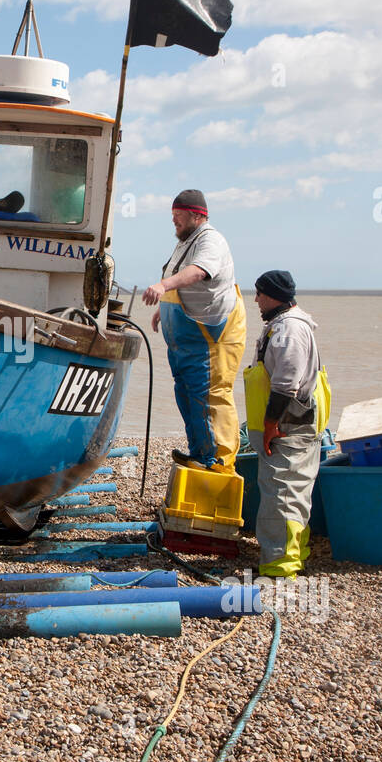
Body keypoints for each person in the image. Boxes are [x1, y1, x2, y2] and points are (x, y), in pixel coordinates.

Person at [142, 189, 245, 470]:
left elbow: (198, 272)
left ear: (197, 216)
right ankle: (198, 452)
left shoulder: (211, 240)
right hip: (186, 337)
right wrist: (163, 310)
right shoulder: (186, 241)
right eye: (172, 214)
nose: (173, 220)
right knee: (185, 391)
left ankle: (215, 460)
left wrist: (163, 287)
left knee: (206, 395)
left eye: (179, 215)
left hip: (210, 338)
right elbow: (185, 283)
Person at [243, 270, 331, 578]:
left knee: (282, 495)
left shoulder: (288, 330)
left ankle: (280, 567)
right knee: (294, 492)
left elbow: (285, 384)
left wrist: (270, 425)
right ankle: (293, 555)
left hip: (287, 428)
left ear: (274, 296)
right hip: (293, 426)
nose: (255, 299)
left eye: (260, 294)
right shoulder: (285, 326)